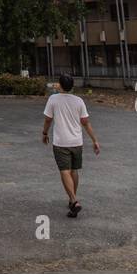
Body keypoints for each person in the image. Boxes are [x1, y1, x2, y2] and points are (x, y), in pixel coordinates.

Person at [41, 73, 100, 218]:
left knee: (64, 171)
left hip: (61, 142)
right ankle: (72, 198)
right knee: (74, 170)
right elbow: (86, 122)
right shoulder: (79, 101)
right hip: (77, 142)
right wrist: (94, 140)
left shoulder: (53, 99)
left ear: (60, 85)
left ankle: (74, 200)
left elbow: (48, 119)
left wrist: (44, 133)